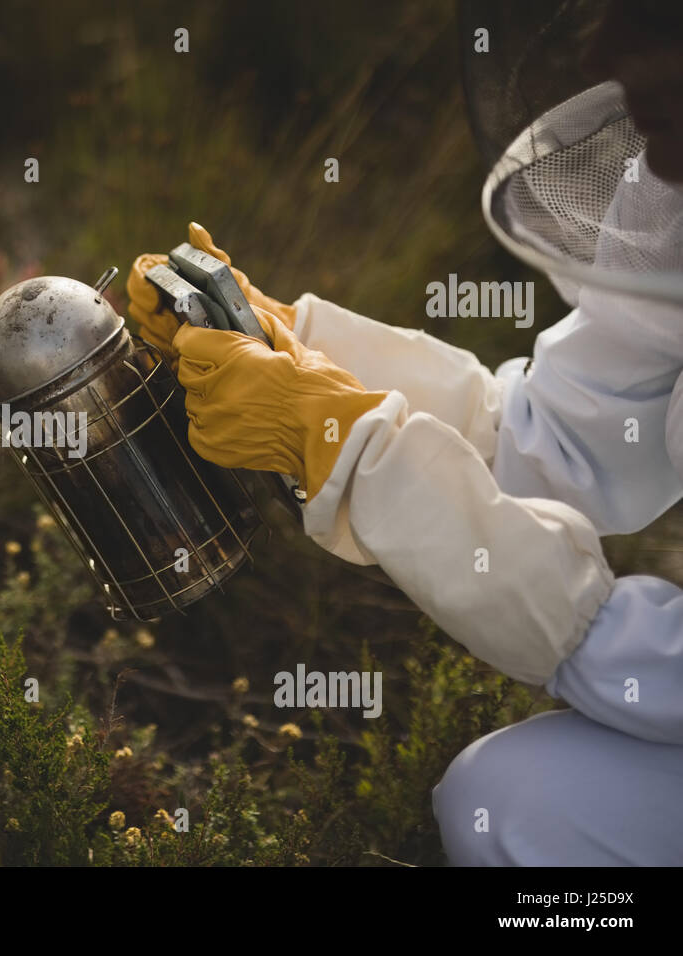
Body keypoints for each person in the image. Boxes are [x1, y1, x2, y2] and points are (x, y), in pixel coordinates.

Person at [127, 0, 683, 864]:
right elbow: (561, 442)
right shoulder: (674, 178)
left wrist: (359, 455)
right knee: (511, 806)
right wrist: (308, 357)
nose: (603, 51)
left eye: (654, 20)